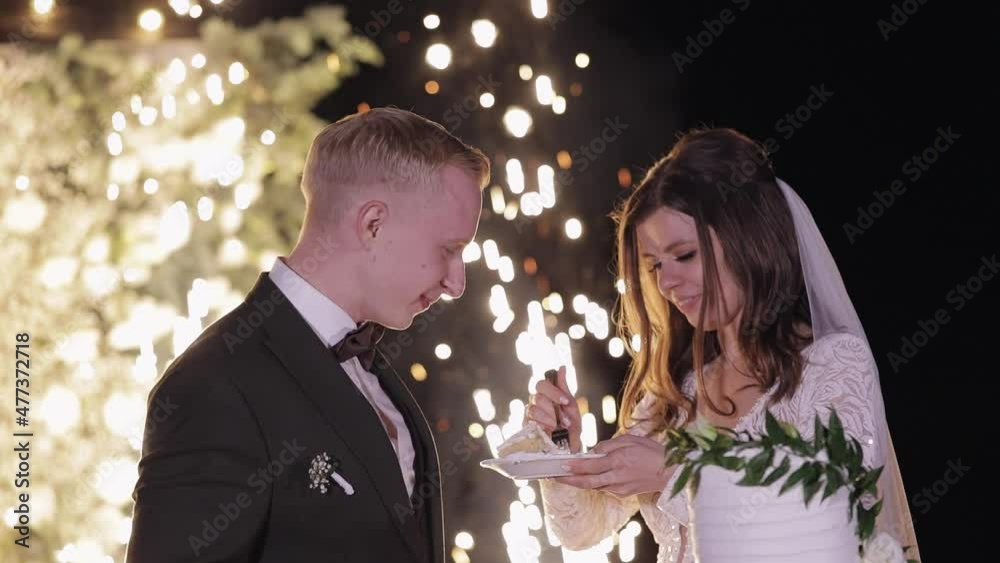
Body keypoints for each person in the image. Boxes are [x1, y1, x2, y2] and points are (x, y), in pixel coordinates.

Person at [527, 127, 919, 562]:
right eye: (655, 264)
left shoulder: (832, 366)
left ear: (747, 239)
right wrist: (560, 445)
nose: (666, 282)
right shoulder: (674, 394)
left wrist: (676, 472)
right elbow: (582, 530)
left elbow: (843, 515)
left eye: (685, 255)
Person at [126, 107, 490, 563]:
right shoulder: (214, 385)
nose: (456, 283)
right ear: (373, 224)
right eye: (449, 249)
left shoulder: (369, 368)